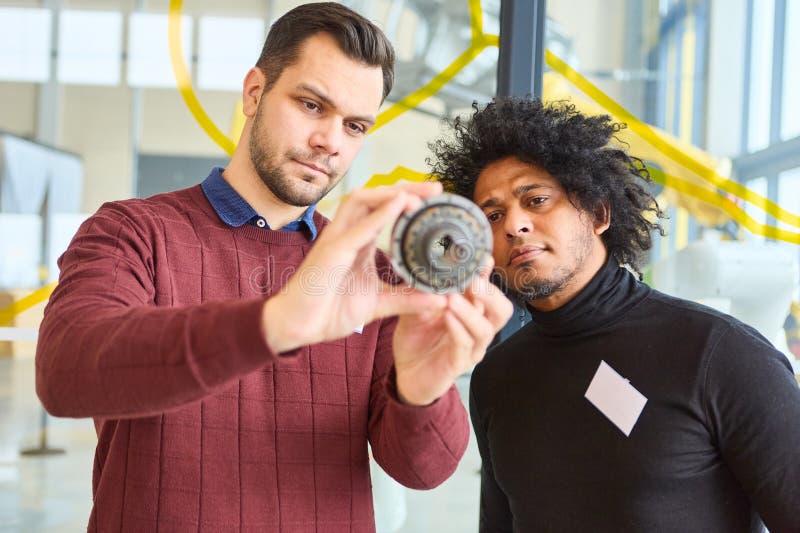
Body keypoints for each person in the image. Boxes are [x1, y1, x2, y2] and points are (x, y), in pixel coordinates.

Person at [35, 4, 512, 531]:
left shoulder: (377, 279)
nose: (331, 142)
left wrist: (422, 391)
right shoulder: (134, 232)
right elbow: (64, 373)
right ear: (254, 93)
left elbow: (422, 470)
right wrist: (279, 321)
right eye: (311, 105)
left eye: (355, 126)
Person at [428, 97, 800, 532]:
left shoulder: (720, 355)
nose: (514, 225)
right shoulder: (496, 377)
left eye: (537, 200)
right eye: (492, 215)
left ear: (599, 214)